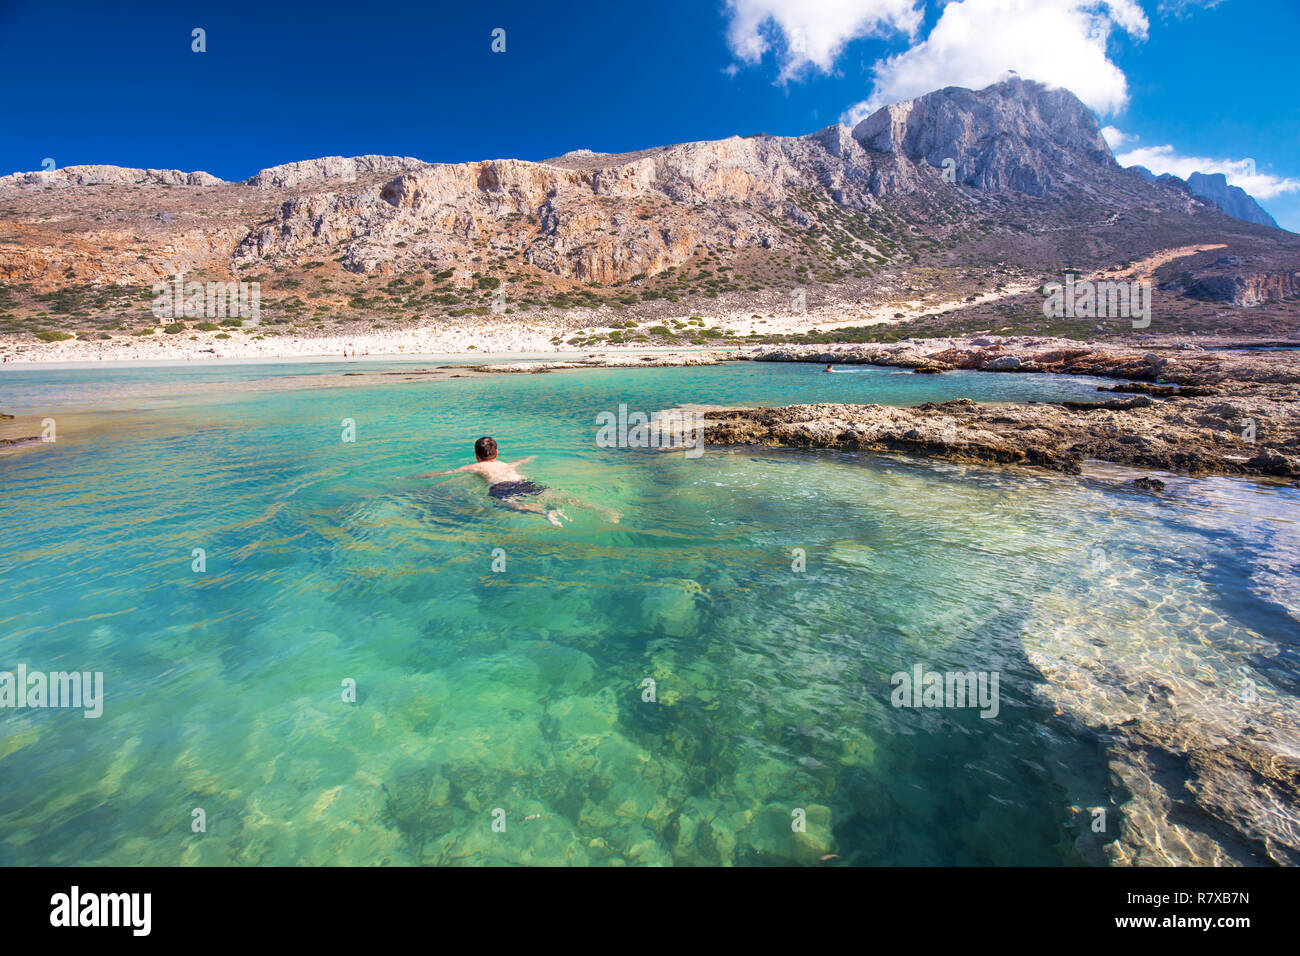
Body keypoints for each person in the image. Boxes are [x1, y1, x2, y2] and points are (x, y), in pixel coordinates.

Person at [412, 436, 617, 527]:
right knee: (560, 496)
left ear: (476, 455)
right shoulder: (505, 464)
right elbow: (518, 462)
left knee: (514, 505)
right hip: (522, 481)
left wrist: (418, 477)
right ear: (497, 452)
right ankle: (600, 510)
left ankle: (544, 512)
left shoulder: (476, 466)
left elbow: (445, 473)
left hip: (500, 487)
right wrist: (528, 459)